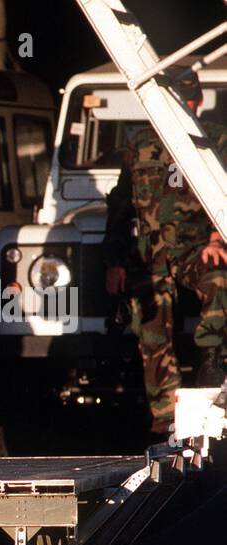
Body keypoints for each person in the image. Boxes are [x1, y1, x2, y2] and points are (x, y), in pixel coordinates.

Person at [103, 71, 227, 440]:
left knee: (219, 281)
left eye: (186, 102)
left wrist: (218, 238)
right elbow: (120, 207)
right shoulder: (140, 145)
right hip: (150, 256)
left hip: (196, 249)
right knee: (150, 318)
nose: (180, 109)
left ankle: (211, 367)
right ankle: (165, 420)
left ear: (197, 103)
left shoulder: (214, 141)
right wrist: (115, 261)